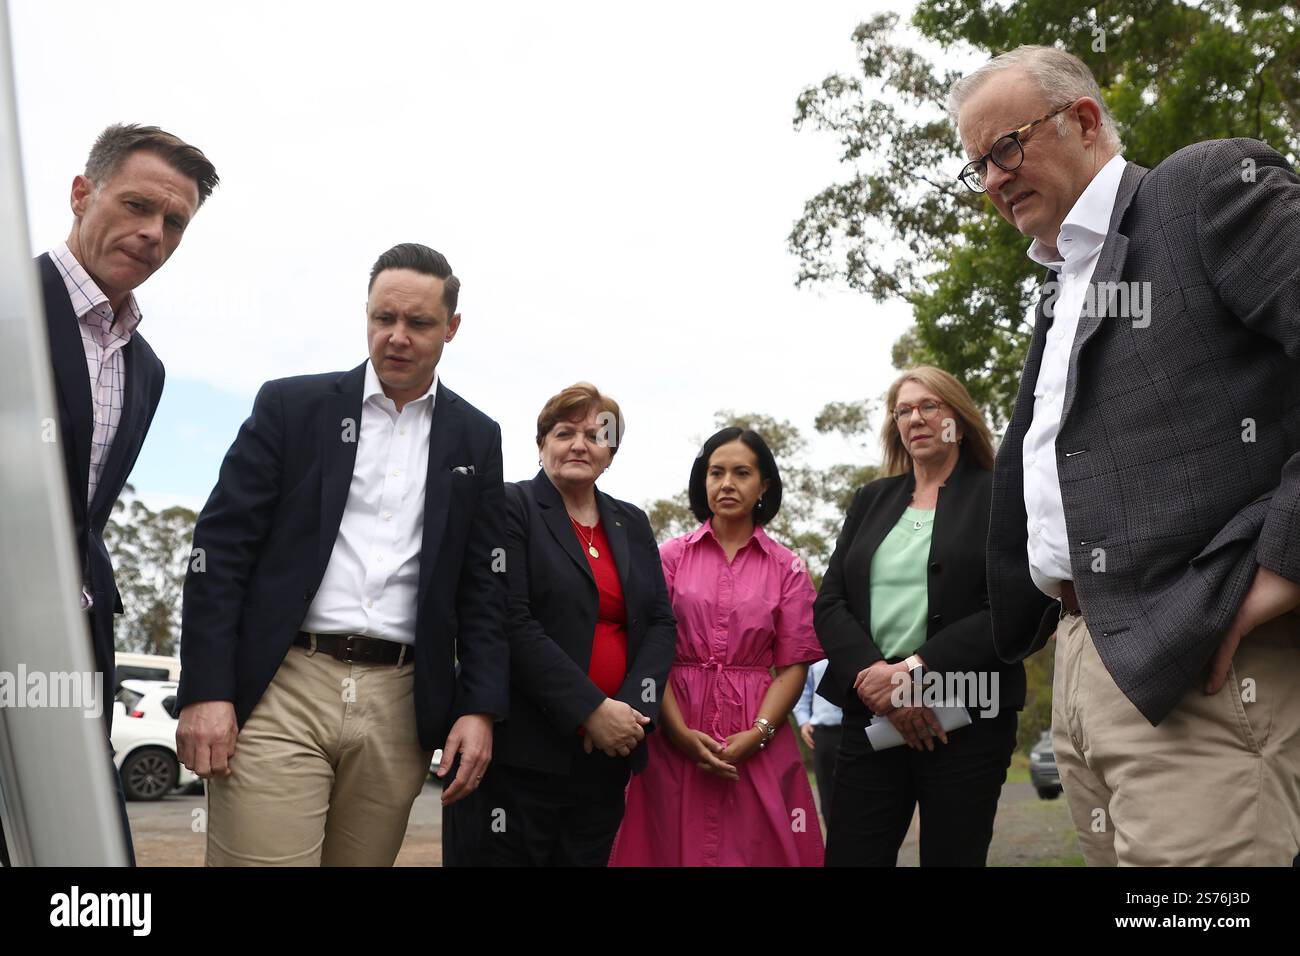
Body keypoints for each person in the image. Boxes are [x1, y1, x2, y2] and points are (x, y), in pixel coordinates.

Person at [952, 45, 1300, 865]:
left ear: (1083, 118)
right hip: (1081, 661)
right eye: (978, 166)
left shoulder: (1205, 187)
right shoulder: (1062, 278)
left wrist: (1281, 569)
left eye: (1007, 148)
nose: (994, 179)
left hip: (1205, 656)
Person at [175, 243, 507, 866]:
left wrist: (480, 707)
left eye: (419, 323)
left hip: (402, 705)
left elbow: (483, 589)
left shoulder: (476, 437)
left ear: (452, 328)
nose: (397, 337)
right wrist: (207, 690)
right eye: (384, 319)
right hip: (282, 686)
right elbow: (218, 553)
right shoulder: (291, 408)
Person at [0, 124, 217, 867]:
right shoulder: (9, 302)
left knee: (76, 858)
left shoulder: (147, 368)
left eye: (174, 223)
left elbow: (84, 513)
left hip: (75, 649)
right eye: (136, 205)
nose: (152, 232)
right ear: (80, 193)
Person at [443, 383, 677, 866]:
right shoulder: (510, 506)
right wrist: (590, 709)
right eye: (564, 432)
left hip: (606, 757)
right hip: (521, 755)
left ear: (611, 453)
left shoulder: (631, 523)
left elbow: (659, 624)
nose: (579, 444)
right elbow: (512, 619)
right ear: (541, 443)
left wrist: (628, 713)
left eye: (595, 435)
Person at [815, 367, 1022, 867]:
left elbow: (1014, 607)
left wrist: (913, 677)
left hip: (968, 715)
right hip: (872, 709)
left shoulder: (1003, 495)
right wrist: (881, 685)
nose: (916, 419)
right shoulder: (871, 500)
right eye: (904, 410)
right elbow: (830, 602)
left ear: (959, 418)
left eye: (930, 406)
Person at [610, 427, 824, 867]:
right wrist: (680, 734)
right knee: (663, 845)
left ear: (764, 486)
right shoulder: (667, 557)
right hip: (672, 729)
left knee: (759, 849)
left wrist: (759, 733)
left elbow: (792, 667)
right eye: (716, 472)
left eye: (741, 473)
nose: (726, 483)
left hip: (756, 734)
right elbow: (652, 653)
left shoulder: (789, 568)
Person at [794, 659, 842, 825]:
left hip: (855, 730)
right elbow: (803, 688)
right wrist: (803, 721)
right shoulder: (815, 654)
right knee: (828, 796)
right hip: (822, 734)